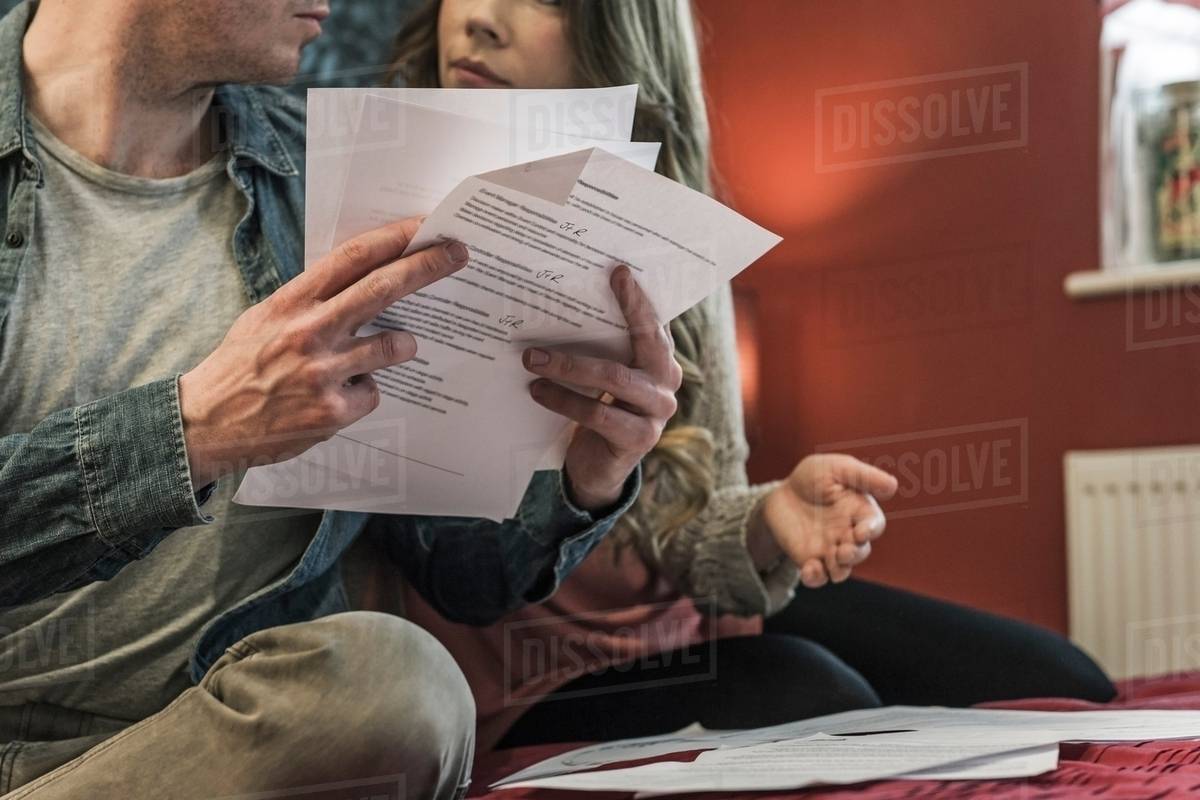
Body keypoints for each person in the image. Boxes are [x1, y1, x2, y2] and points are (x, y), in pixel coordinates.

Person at [387, 0, 1119, 753]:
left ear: (624, 34)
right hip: (522, 682)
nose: (480, 18)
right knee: (817, 693)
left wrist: (771, 517)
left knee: (1066, 684)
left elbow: (687, 524)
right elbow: (446, 565)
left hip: (682, 629)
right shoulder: (379, 205)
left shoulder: (665, 224)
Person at [0, 0, 684, 796]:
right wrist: (193, 432)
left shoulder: (334, 173)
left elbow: (468, 577)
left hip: (241, 737)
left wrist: (584, 476)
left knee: (398, 689)